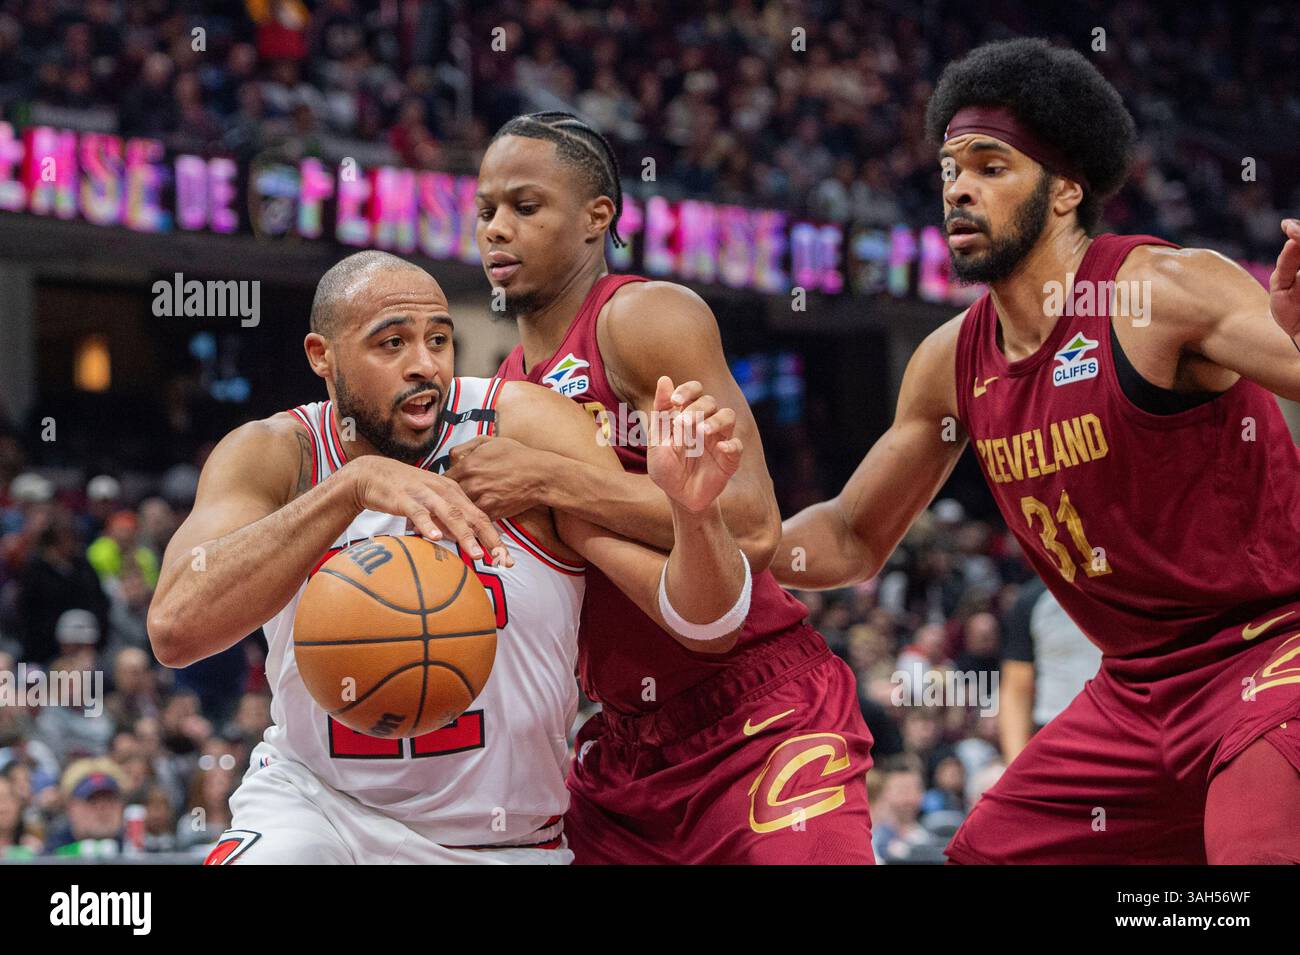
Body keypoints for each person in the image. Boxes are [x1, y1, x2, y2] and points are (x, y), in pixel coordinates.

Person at [775, 38, 1300, 864]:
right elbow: (849, 535)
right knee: (984, 853)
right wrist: (708, 543)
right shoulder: (950, 361)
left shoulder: (1160, 290)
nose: (958, 188)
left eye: (990, 166)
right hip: (1131, 690)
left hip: (1273, 651)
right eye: (950, 168)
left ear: (1064, 190)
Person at [148, 251, 752, 865]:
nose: (424, 365)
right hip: (317, 812)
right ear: (321, 356)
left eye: (439, 339)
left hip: (503, 843)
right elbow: (175, 630)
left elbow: (708, 628)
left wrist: (694, 515)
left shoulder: (520, 426)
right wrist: (347, 490)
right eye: (392, 344)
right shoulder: (278, 454)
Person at [450, 111, 875, 863]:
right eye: (485, 211)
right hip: (624, 746)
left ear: (596, 218)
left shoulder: (641, 317)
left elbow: (750, 526)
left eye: (524, 206)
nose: (496, 229)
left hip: (757, 710)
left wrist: (550, 477)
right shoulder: (507, 389)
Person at [999, 577, 1101, 762]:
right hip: (1054, 735)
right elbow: (1016, 690)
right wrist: (1015, 761)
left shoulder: (1133, 588)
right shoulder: (1033, 599)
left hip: (1123, 732)